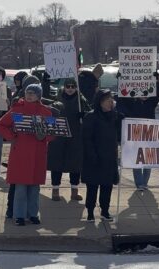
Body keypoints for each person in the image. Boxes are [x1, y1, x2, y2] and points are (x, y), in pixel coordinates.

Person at [0, 84, 56, 226]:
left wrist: (44, 136)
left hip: (38, 154)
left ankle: (33, 214)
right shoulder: (16, 110)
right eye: (27, 93)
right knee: (20, 187)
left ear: (39, 96)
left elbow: (53, 132)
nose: (29, 95)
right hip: (20, 154)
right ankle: (19, 216)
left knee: (34, 187)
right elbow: (1, 125)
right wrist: (12, 136)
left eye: (33, 93)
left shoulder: (46, 112)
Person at [78, 91, 123, 224]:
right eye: (107, 100)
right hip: (94, 157)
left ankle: (105, 211)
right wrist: (92, 155)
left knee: (107, 186)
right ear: (100, 102)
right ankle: (90, 212)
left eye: (111, 100)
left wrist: (122, 121)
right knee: (92, 187)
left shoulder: (114, 116)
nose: (111, 102)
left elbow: (120, 135)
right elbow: (86, 138)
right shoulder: (91, 117)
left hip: (109, 157)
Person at [47, 80, 85, 200]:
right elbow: (48, 113)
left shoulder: (81, 100)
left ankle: (74, 190)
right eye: (68, 86)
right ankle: (55, 190)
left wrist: (83, 115)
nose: (70, 88)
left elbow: (89, 114)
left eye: (73, 86)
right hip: (58, 137)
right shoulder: (57, 98)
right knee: (56, 163)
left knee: (75, 164)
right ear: (64, 87)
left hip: (75, 136)